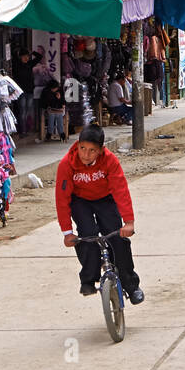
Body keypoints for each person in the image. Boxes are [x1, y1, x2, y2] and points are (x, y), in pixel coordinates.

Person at [56, 123, 143, 303]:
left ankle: (131, 286)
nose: (86, 155)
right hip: (80, 201)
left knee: (117, 238)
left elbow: (121, 190)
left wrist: (129, 222)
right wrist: (67, 232)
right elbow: (62, 198)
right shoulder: (67, 164)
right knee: (87, 236)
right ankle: (88, 279)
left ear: (101, 150)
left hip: (105, 199)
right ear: (77, 145)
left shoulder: (110, 161)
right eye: (82, 149)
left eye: (92, 151)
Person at [11, 46, 41, 136]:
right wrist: (18, 51)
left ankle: (27, 129)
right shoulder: (17, 65)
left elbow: (39, 57)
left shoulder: (30, 64)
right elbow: (13, 57)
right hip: (21, 92)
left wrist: (32, 52)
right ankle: (23, 131)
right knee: (22, 112)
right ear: (20, 57)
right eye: (24, 56)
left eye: (27, 56)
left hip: (30, 91)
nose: (26, 58)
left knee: (28, 112)